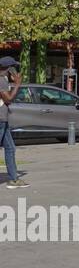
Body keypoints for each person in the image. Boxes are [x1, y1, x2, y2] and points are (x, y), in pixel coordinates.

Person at [0, 56, 25, 188]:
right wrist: (17, 84)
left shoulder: (3, 80)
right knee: (9, 148)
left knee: (10, 148)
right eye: (14, 67)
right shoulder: (1, 81)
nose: (16, 71)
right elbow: (8, 99)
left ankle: (14, 179)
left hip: (3, 120)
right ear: (9, 69)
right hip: (0, 120)